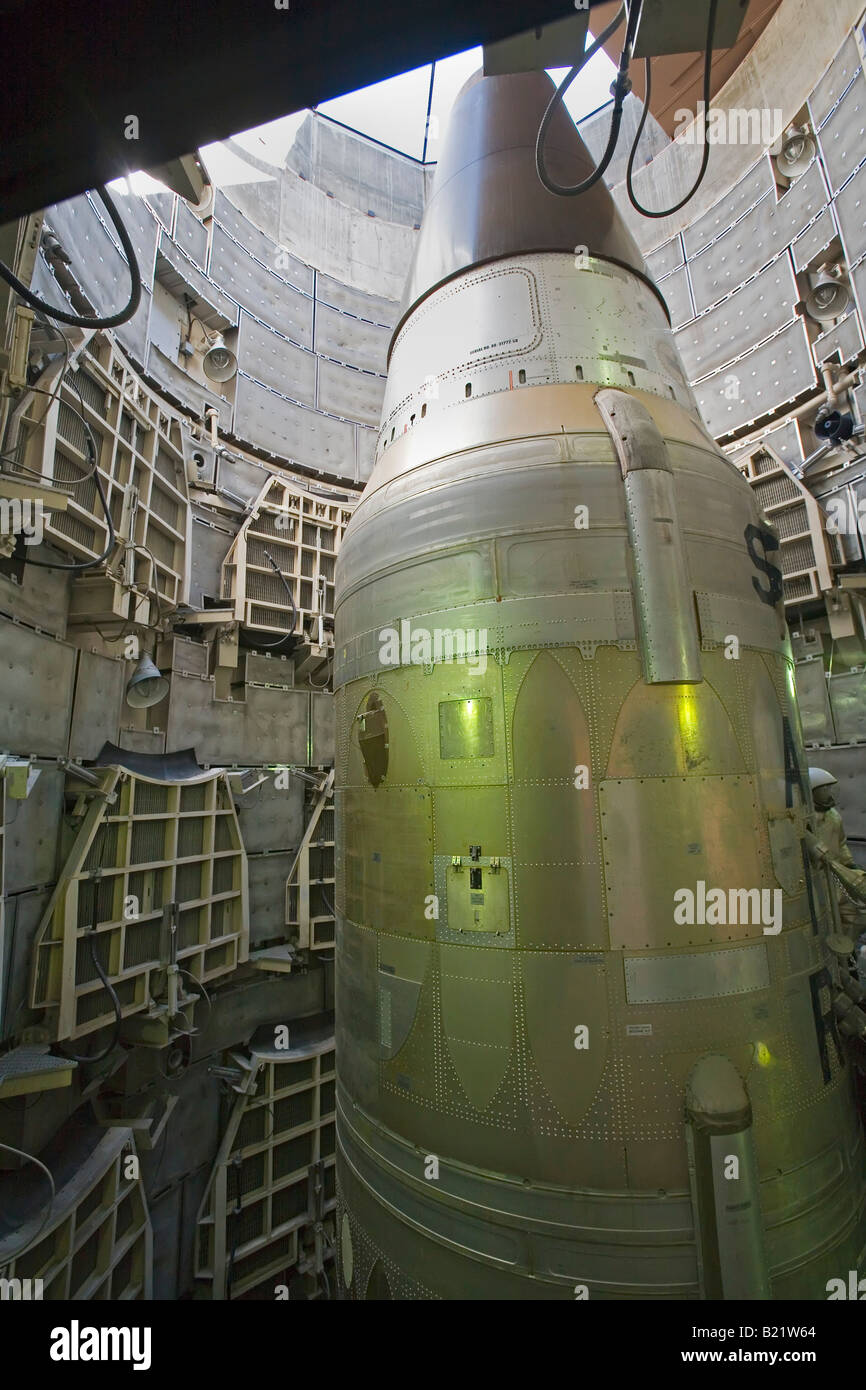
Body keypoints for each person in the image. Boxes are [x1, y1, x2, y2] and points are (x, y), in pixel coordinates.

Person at [809, 767, 866, 933]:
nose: (828, 792)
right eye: (823, 789)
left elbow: (841, 843)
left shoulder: (833, 816)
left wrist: (850, 865)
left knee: (854, 917)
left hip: (836, 877)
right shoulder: (806, 820)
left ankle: (847, 952)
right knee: (826, 923)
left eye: (829, 788)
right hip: (817, 880)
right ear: (812, 791)